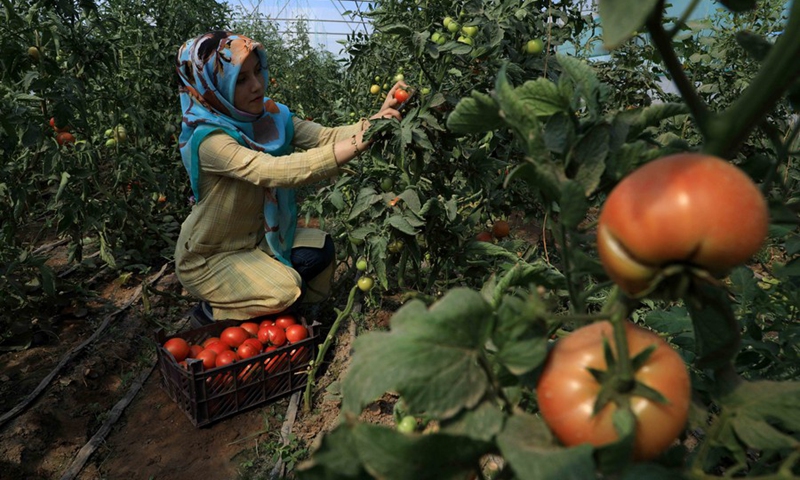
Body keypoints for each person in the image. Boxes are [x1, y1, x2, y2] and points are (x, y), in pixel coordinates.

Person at [174, 31, 405, 326]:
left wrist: (375, 120)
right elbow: (269, 170)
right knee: (286, 290)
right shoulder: (209, 140)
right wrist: (359, 142)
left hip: (257, 240)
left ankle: (282, 312)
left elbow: (325, 137)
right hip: (210, 256)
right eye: (240, 80)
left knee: (319, 250)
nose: (257, 86)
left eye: (257, 71)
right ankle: (212, 313)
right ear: (212, 86)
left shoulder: (271, 115)